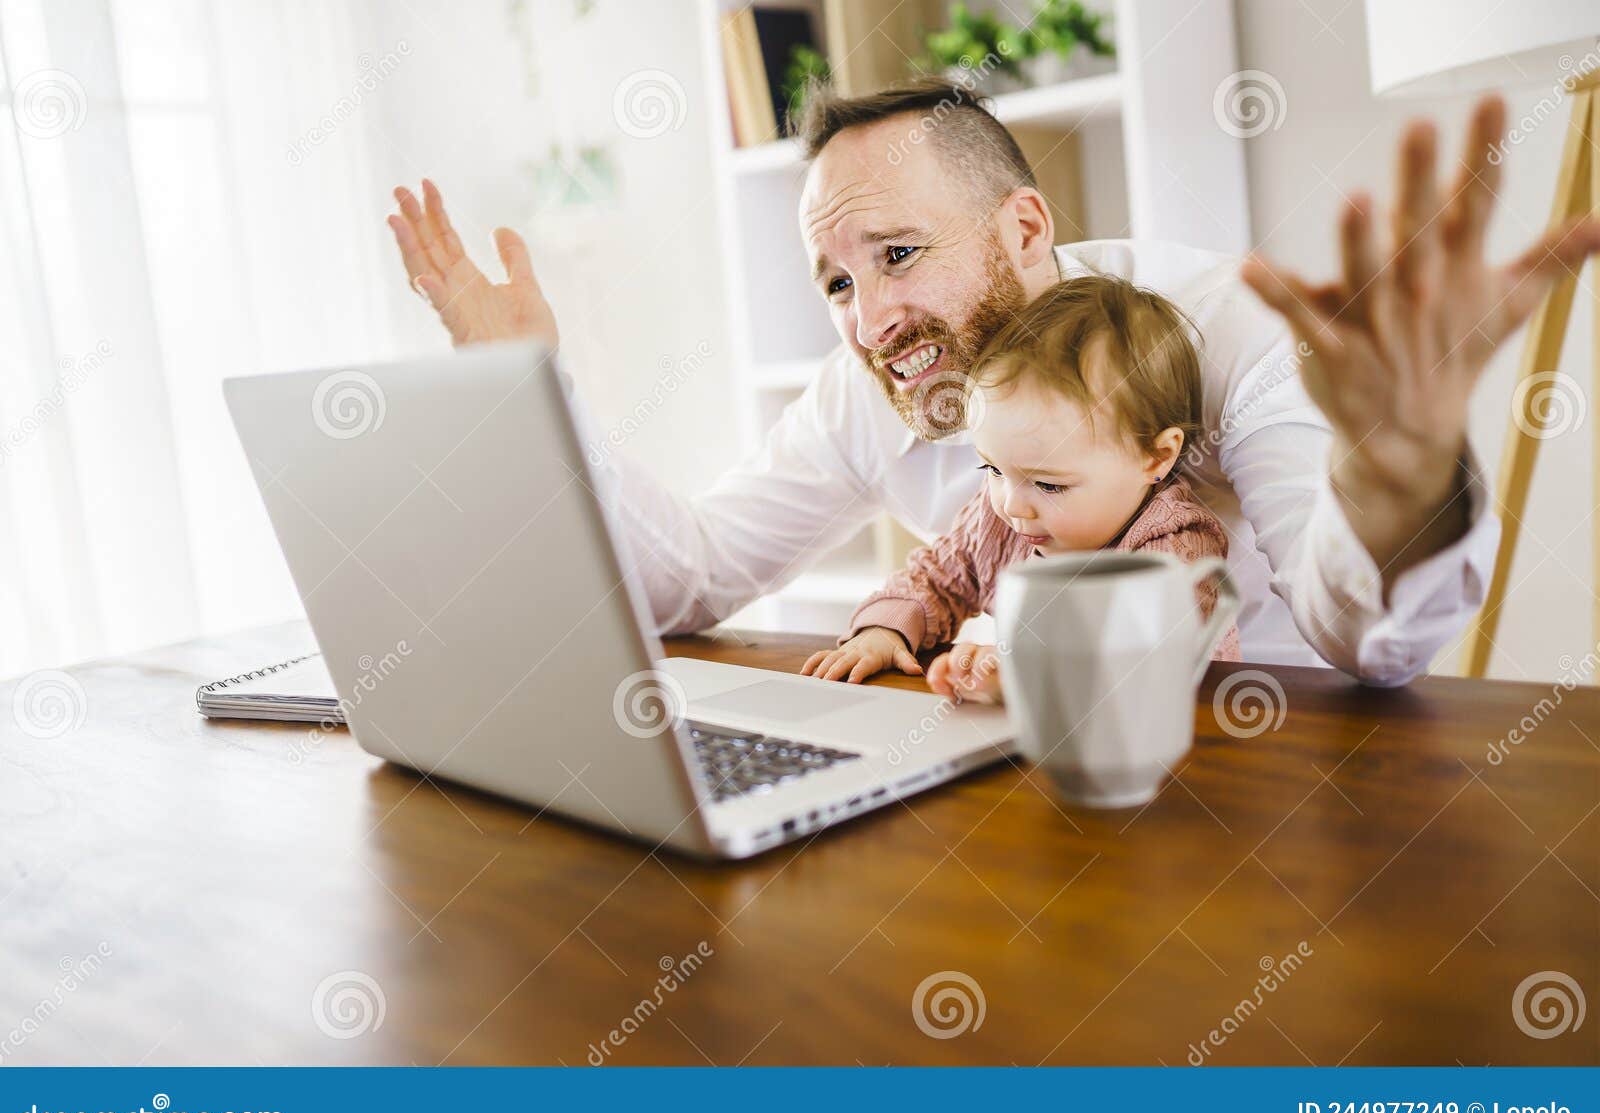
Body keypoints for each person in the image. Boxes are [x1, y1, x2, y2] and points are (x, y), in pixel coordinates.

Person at [385, 80, 1600, 686]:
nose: (871, 321)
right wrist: (530, 389)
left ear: (1025, 228)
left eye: (898, 256)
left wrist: (1401, 475)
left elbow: (1369, 648)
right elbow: (692, 577)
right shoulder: (879, 380)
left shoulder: (1227, 336)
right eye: (836, 283)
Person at [800, 274, 1239, 702]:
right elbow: (935, 578)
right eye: (991, 468)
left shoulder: (1176, 541)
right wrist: (885, 630)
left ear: (1157, 457)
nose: (1012, 504)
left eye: (1048, 484)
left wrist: (1027, 670)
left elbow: (1151, 651)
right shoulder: (998, 520)